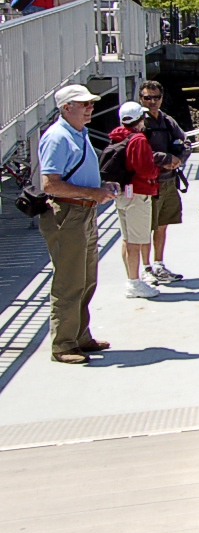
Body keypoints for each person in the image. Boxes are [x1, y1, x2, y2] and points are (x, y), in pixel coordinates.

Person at [37, 85, 117, 363]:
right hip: (68, 214)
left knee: (86, 279)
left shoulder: (77, 134)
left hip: (83, 211)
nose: (90, 108)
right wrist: (94, 193)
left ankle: (80, 335)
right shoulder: (58, 137)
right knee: (69, 281)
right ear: (66, 107)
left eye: (92, 104)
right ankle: (63, 344)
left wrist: (99, 187)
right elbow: (50, 184)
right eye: (84, 104)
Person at [107, 101, 163, 298]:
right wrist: (156, 170)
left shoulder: (117, 136)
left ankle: (132, 278)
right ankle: (134, 282)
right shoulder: (138, 139)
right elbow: (145, 168)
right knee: (137, 240)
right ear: (140, 118)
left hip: (123, 192)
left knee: (127, 238)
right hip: (138, 193)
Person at [138, 81, 188, 284]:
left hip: (168, 182)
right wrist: (165, 159)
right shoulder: (140, 122)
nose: (152, 102)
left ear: (162, 98)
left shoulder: (167, 121)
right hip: (148, 183)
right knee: (144, 227)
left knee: (162, 225)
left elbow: (185, 142)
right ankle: (145, 267)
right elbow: (139, 151)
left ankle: (159, 264)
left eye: (156, 97)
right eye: (147, 98)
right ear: (140, 98)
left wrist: (178, 159)